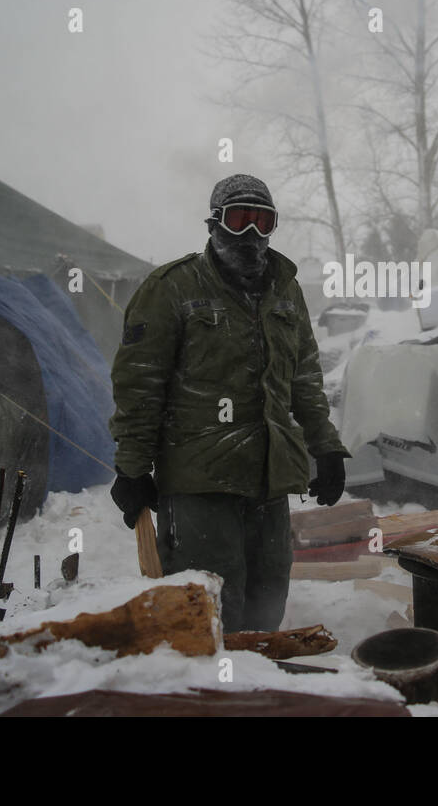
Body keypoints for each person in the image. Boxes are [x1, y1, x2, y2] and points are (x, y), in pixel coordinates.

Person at [108, 174, 348, 632]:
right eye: (239, 220)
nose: (251, 235)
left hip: (269, 485)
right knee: (210, 614)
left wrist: (326, 446)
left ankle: (257, 678)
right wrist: (132, 468)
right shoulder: (172, 288)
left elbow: (304, 378)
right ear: (215, 223)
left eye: (263, 221)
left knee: (266, 606)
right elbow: (140, 385)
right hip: (200, 486)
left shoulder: (286, 290)